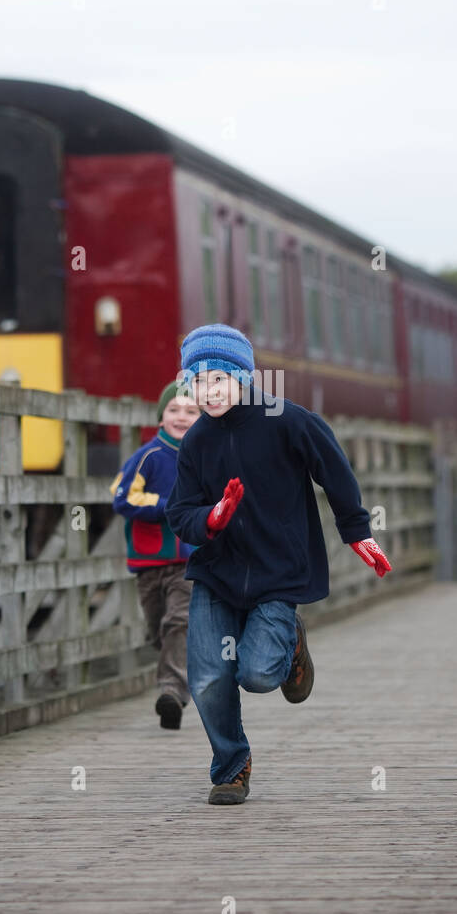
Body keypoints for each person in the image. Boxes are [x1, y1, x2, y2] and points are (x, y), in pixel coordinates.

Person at [165, 323, 392, 804]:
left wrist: (358, 532)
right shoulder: (197, 442)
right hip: (217, 573)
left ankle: (289, 648)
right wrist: (213, 516)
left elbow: (335, 470)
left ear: (243, 377)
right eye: (197, 382)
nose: (207, 392)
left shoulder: (287, 420)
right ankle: (231, 766)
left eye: (217, 380)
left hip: (278, 573)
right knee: (208, 676)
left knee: (256, 674)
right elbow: (180, 514)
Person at [109, 381, 201, 729]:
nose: (182, 417)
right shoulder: (147, 457)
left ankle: (172, 693)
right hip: (150, 561)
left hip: (188, 559)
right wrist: (168, 508)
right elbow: (123, 498)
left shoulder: (204, 457)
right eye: (174, 410)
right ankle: (175, 670)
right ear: (160, 418)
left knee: (180, 621)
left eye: (192, 411)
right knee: (158, 628)